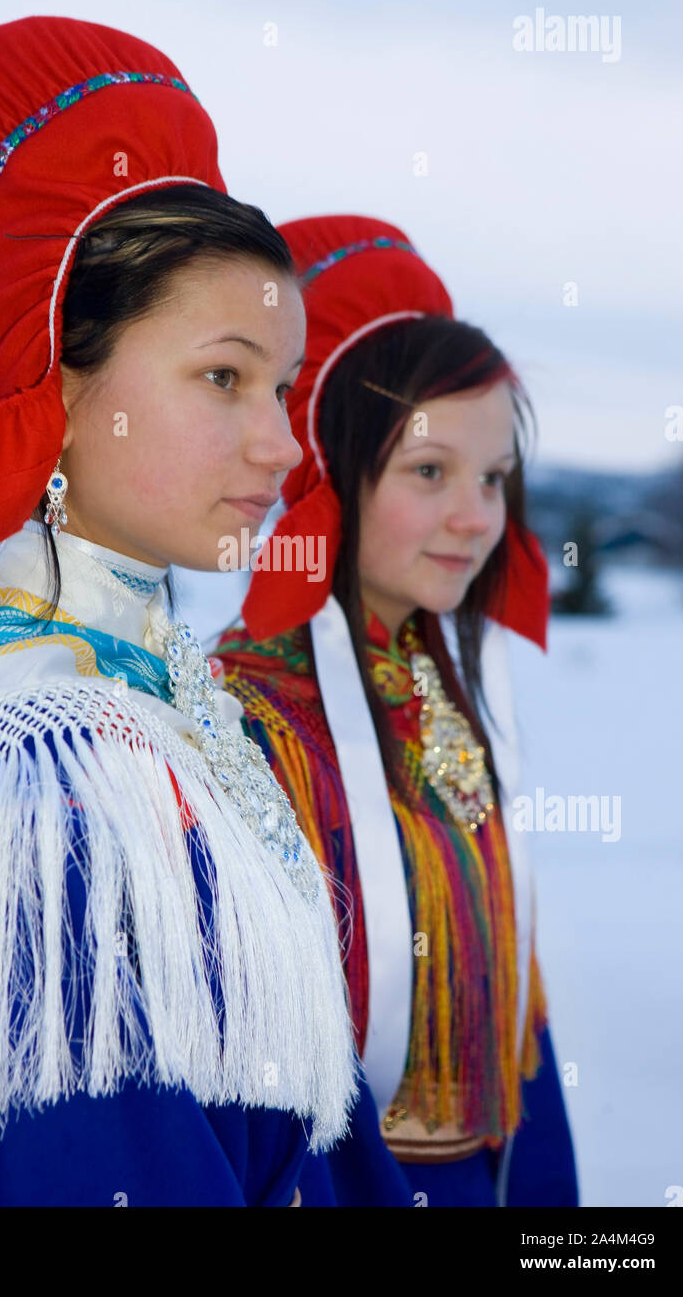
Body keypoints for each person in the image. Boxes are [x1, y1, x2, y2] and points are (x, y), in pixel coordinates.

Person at [0, 19, 359, 1208]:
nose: (281, 443)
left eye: (280, 387)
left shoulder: (144, 698)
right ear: (60, 387)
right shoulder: (40, 778)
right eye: (221, 378)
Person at [214, 213, 579, 1206]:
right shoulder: (251, 730)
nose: (477, 517)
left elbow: (514, 1019)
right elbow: (266, 1085)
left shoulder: (444, 691)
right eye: (430, 472)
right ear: (325, 473)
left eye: (494, 478)